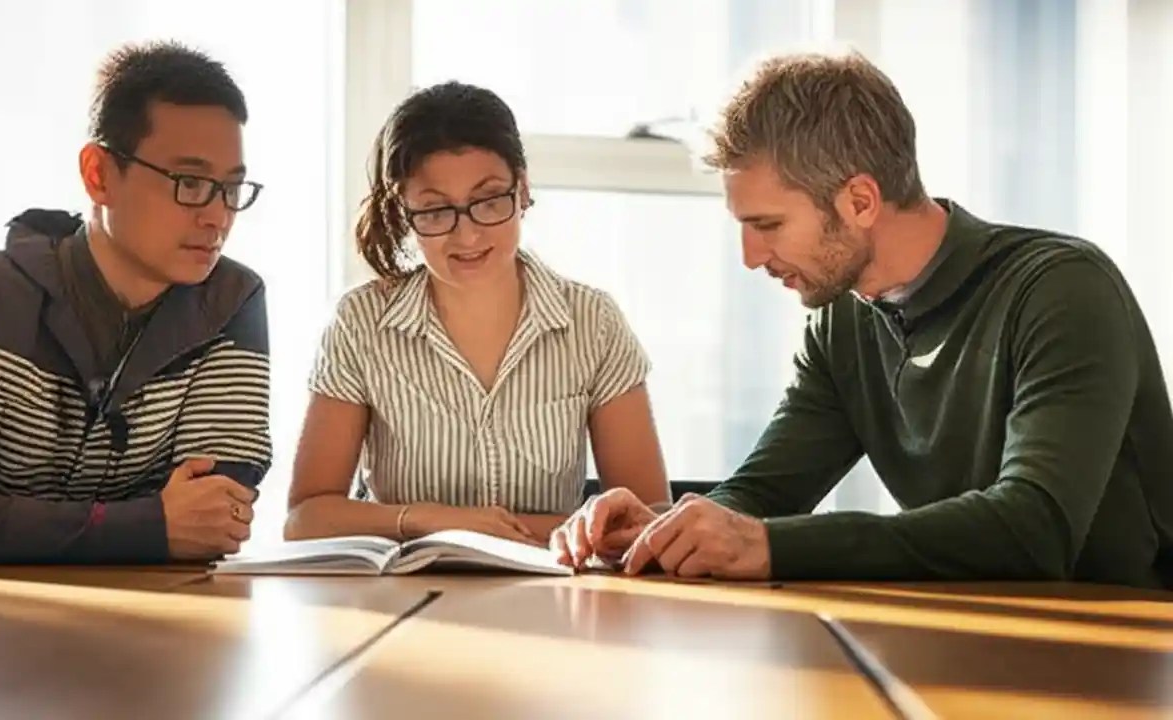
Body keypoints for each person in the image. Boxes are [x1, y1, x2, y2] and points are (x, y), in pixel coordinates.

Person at [552, 50, 1173, 589]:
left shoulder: (1061, 290)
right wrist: (664, 530)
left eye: (767, 225)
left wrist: (769, 546)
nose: (750, 257)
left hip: (1128, 650)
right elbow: (764, 495)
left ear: (860, 201)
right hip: (973, 635)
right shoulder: (843, 325)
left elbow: (1035, 528)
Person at [0, 41, 272, 564]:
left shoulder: (232, 302)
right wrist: (143, 527)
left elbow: (212, 516)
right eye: (189, 183)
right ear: (98, 175)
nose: (218, 217)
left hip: (156, 624)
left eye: (231, 188)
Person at [285, 81, 670, 546]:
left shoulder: (594, 322)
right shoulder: (361, 322)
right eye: (434, 210)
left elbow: (648, 520)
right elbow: (305, 519)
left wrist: (489, 531)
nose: (466, 236)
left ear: (523, 189)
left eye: (488, 201)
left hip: (550, 602)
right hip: (401, 600)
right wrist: (432, 520)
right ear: (403, 210)